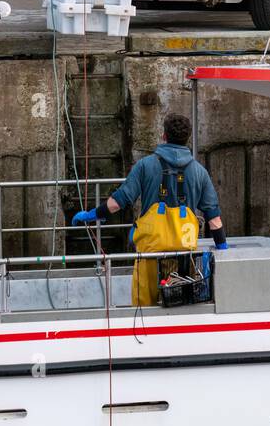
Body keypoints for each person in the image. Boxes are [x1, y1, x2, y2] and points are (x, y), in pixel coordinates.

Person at [72, 111, 227, 306]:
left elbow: (117, 203)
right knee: (179, 307)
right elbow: (214, 220)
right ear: (187, 139)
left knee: (144, 310)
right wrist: (223, 249)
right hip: (184, 260)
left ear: (164, 135)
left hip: (149, 257)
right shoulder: (200, 172)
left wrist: (91, 215)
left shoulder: (145, 166)